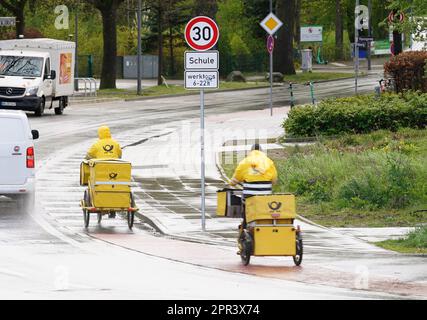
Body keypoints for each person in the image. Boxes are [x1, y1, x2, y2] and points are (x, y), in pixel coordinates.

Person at [230, 143, 278, 228]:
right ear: (262, 151)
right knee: (267, 207)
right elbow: (274, 181)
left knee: (245, 205)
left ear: (251, 152)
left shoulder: (244, 162)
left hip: (249, 196)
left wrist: (233, 183)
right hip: (265, 196)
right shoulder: (269, 161)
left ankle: (245, 223)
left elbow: (234, 180)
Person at [86, 126, 122, 218]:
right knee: (114, 186)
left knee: (98, 185)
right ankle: (113, 207)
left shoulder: (96, 145)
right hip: (114, 170)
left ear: (100, 134)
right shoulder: (116, 143)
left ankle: (100, 204)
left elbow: (88, 155)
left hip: (100, 170)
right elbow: (119, 155)